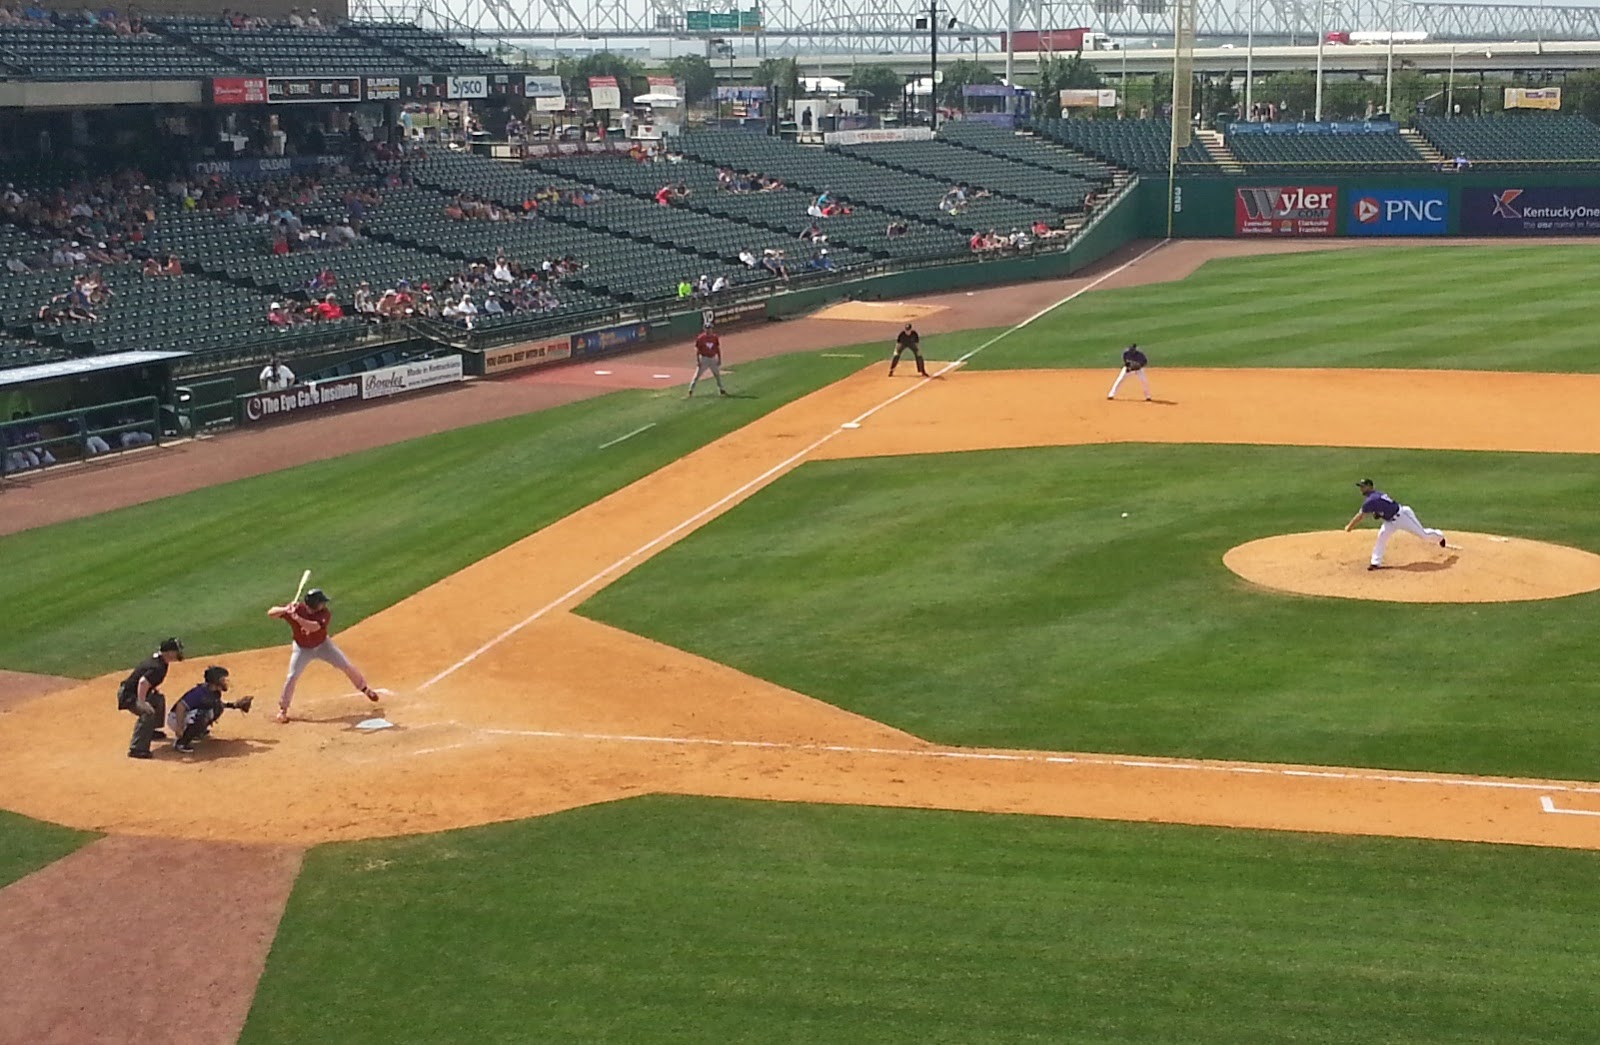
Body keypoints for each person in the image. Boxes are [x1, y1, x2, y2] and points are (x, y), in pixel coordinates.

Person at [267, 588, 382, 723]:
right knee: (292, 676)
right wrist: (285, 609)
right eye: (321, 602)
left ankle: (365, 689)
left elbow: (313, 627)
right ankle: (283, 710)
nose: (324, 604)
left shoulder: (324, 614)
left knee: (346, 665)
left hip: (323, 646)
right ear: (315, 604)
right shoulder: (296, 609)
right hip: (302, 648)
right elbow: (271, 613)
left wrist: (296, 617)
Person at [1344, 479, 1448, 571]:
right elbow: (1382, 508)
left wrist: (1350, 526)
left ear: (1370, 487)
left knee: (1424, 535)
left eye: (1363, 486)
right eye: (1361, 487)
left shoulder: (1371, 500)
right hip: (1390, 521)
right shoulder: (1376, 495)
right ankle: (1375, 562)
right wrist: (1379, 513)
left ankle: (1440, 536)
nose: (1361, 489)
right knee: (1382, 537)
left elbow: (1360, 516)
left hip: (1403, 516)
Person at [116, 637, 183, 759]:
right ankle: (137, 748)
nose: (178, 653)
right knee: (148, 712)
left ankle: (149, 731)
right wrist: (142, 703)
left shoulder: (161, 661)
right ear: (169, 652)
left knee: (158, 699)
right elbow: (143, 682)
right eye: (176, 650)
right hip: (128, 695)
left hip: (135, 692)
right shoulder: (157, 666)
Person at [167, 665, 254, 753]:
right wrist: (179, 727)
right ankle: (181, 743)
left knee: (217, 708)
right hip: (176, 718)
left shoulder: (215, 692)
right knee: (202, 715)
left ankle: (195, 733)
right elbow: (180, 706)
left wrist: (234, 705)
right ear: (216, 681)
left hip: (188, 715)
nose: (226, 681)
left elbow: (216, 704)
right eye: (223, 679)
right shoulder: (199, 693)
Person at [686, 325, 729, 398]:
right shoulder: (701, 338)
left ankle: (721, 389)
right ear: (704, 329)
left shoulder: (715, 337)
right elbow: (697, 350)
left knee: (717, 375)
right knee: (697, 376)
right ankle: (690, 390)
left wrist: (719, 359)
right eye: (707, 328)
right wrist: (698, 360)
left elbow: (717, 348)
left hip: (712, 359)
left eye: (710, 328)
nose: (709, 330)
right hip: (704, 359)